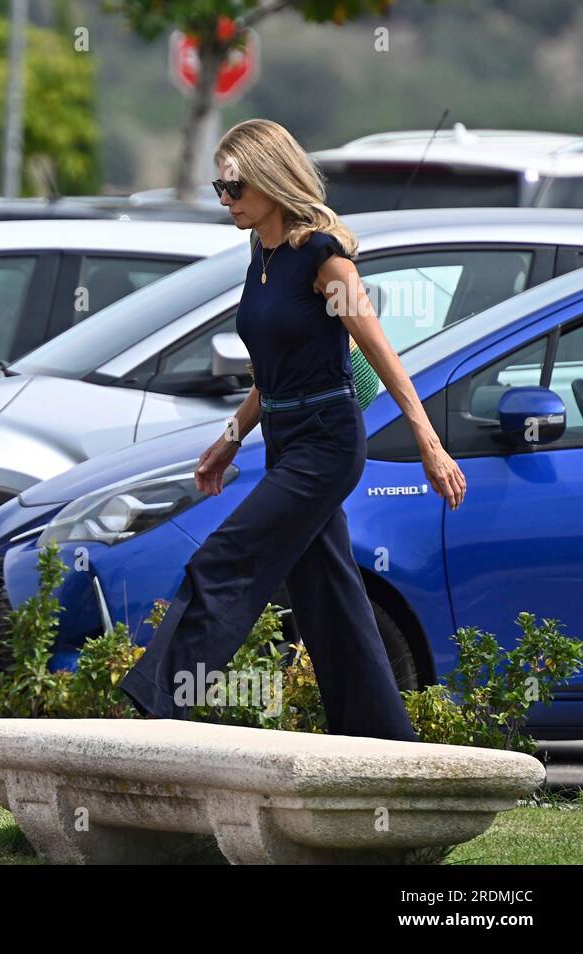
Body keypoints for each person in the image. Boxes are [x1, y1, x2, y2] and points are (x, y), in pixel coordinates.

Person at [118, 119, 466, 741]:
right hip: (283, 438)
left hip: (326, 442)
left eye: (235, 187)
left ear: (272, 180)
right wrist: (229, 438)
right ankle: (382, 742)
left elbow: (382, 357)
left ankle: (156, 706)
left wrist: (429, 444)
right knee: (329, 599)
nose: (225, 200)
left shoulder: (323, 260)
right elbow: (273, 371)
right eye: (219, 188)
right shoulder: (262, 253)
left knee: (226, 557)